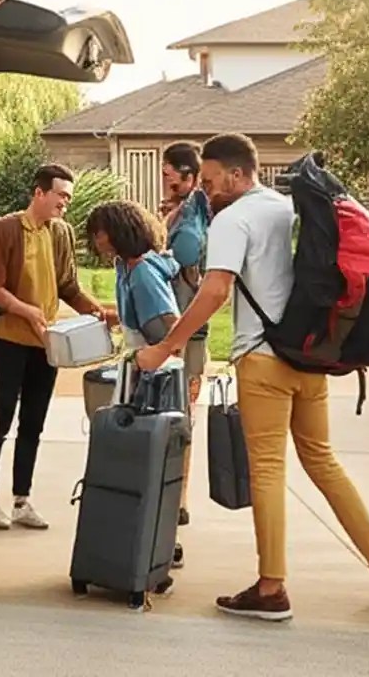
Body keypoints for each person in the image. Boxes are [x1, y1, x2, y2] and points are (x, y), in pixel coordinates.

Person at [136, 133, 369, 621]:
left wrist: (164, 347)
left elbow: (215, 291)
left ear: (239, 174)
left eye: (214, 180)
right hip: (309, 356)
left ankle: (271, 587)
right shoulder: (288, 209)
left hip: (263, 361)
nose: (207, 190)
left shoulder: (233, 219)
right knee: (324, 462)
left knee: (266, 469)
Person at [0, 163, 113, 530]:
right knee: (1, 420)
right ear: (39, 193)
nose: (65, 202)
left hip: (46, 342)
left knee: (33, 422)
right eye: (61, 195)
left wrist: (96, 310)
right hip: (10, 340)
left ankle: (22, 500)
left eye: (68, 197)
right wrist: (27, 310)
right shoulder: (3, 229)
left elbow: (68, 286)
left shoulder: (61, 233)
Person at [85, 199, 187, 569]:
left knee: (150, 460)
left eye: (99, 234)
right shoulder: (125, 267)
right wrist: (113, 316)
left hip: (153, 378)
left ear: (117, 232)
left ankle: (161, 542)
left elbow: (171, 330)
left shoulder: (142, 272)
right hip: (140, 370)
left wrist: (150, 356)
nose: (96, 242)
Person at [160, 141, 212, 527]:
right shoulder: (190, 210)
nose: (164, 182)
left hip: (185, 335)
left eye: (168, 176)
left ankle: (176, 497)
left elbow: (189, 255)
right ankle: (175, 495)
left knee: (178, 418)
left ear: (188, 177)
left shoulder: (192, 218)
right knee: (178, 416)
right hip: (183, 332)